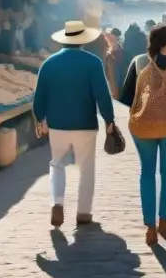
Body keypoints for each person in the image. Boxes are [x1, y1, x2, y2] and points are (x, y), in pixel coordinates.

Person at [34, 20, 116, 228]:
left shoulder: (49, 63)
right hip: (85, 124)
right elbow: (102, 95)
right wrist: (109, 119)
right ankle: (83, 212)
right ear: (83, 41)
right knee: (86, 168)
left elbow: (39, 96)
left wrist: (40, 118)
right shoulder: (93, 62)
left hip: (57, 124)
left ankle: (57, 203)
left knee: (57, 164)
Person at [119, 25, 166, 245]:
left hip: (142, 128)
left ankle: (150, 227)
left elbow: (125, 98)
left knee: (147, 173)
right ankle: (165, 223)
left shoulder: (138, 62)